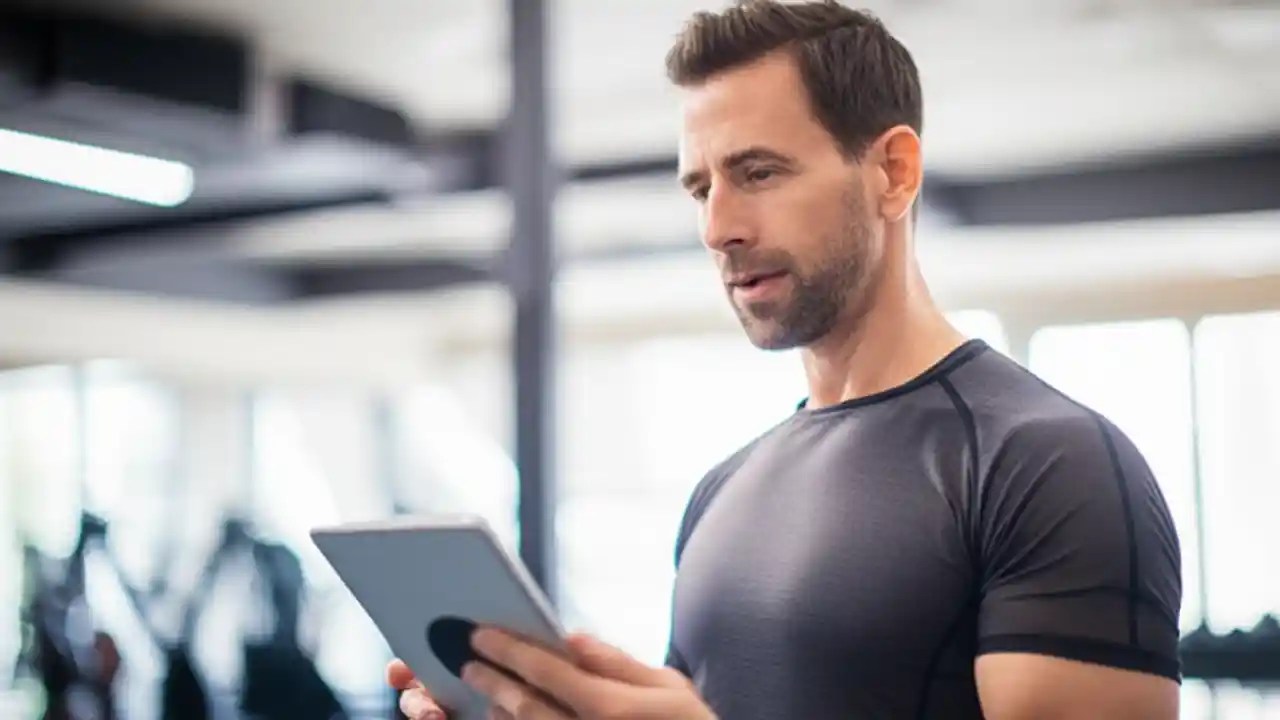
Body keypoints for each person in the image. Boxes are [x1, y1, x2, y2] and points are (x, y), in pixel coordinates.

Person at [391, 1, 1183, 717]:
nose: (718, 228)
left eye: (758, 172)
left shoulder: (1048, 463)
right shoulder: (721, 492)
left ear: (894, 172)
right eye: (700, 189)